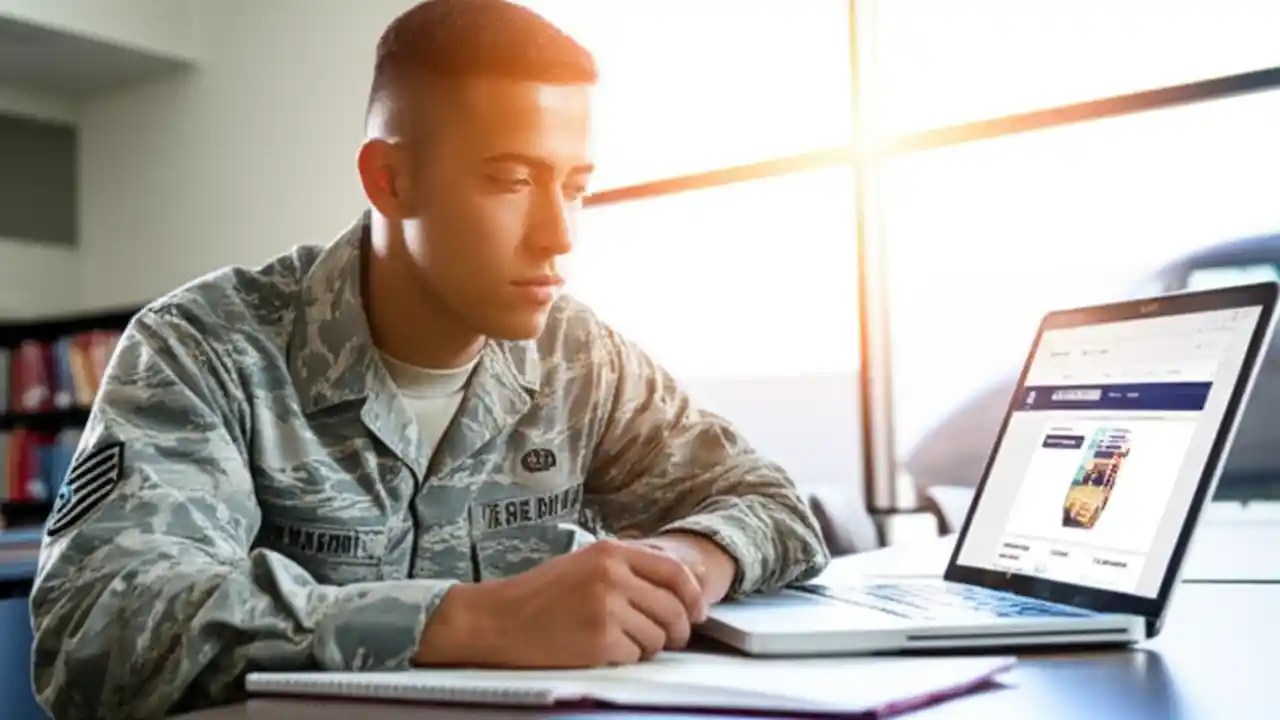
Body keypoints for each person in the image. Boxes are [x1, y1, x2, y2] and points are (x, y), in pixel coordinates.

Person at [29, 1, 830, 717]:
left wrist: (679, 564)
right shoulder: (204, 349)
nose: (559, 235)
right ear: (391, 179)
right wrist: (476, 620)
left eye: (574, 186)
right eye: (513, 180)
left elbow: (773, 503)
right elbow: (95, 633)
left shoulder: (581, 358)